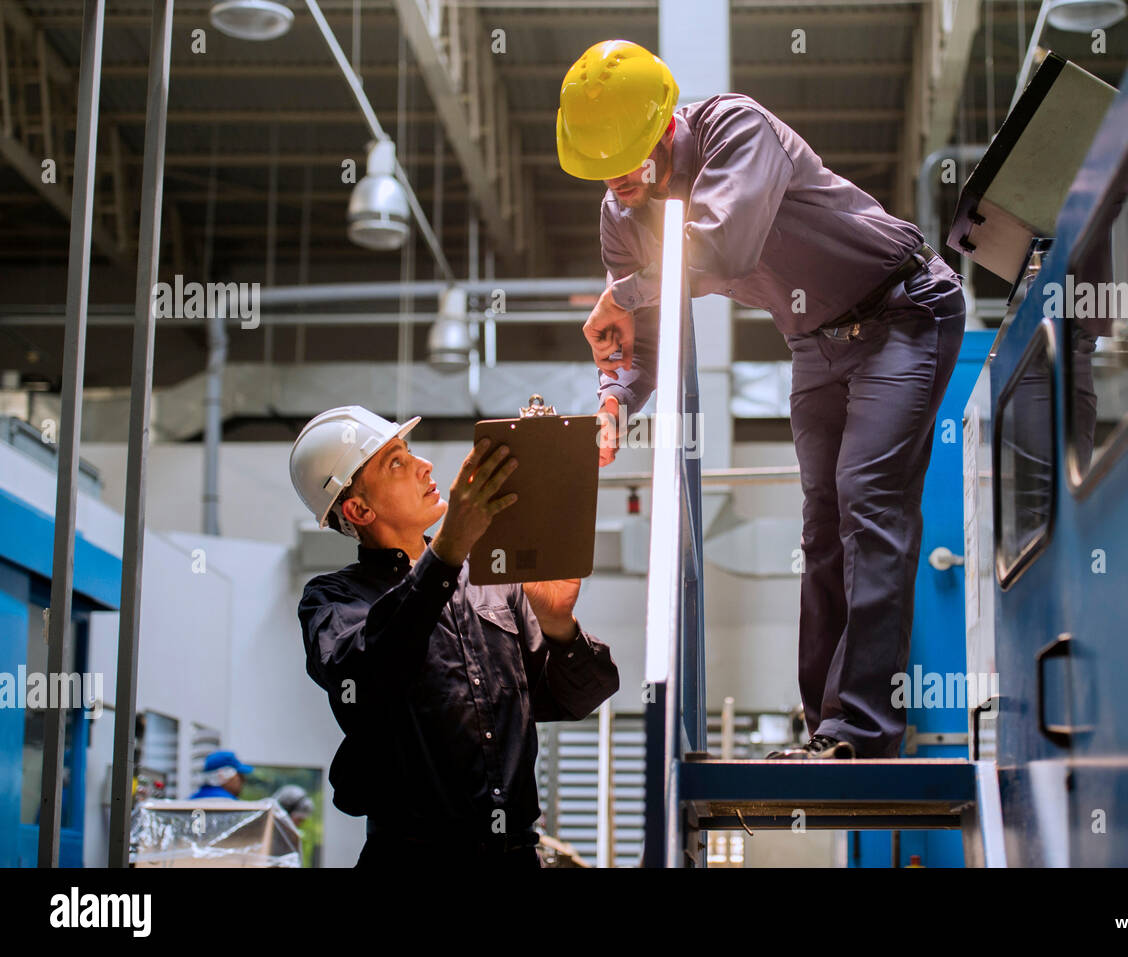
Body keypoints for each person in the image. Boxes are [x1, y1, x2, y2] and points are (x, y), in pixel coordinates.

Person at [556, 40, 966, 759]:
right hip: (816, 344)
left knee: (869, 500)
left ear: (663, 125)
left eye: (623, 157)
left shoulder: (734, 129)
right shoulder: (620, 215)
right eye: (598, 166)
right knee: (823, 532)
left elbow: (719, 248)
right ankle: (827, 732)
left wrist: (620, 292)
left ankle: (864, 732)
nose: (615, 180)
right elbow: (641, 343)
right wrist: (614, 395)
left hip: (904, 309)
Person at [290, 406, 619, 868]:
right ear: (359, 509)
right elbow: (365, 675)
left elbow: (572, 699)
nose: (423, 465)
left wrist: (561, 625)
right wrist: (446, 552)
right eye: (396, 463)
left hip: (515, 855)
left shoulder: (489, 580)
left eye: (409, 453)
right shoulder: (335, 600)